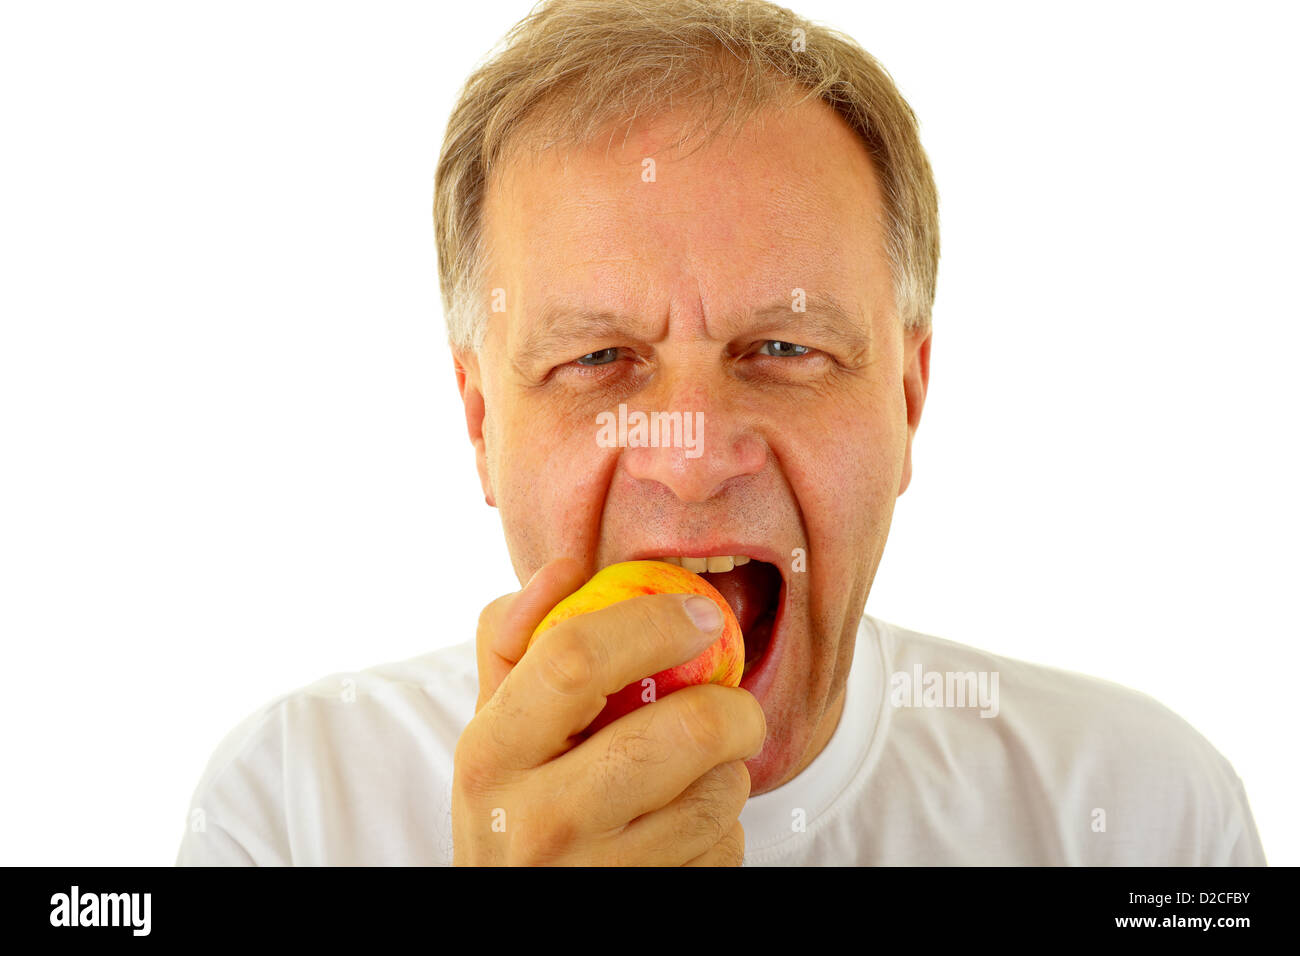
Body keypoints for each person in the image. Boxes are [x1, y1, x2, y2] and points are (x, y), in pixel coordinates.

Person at [176, 0, 1266, 866]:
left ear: (907, 398)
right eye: (596, 360)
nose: (692, 456)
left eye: (785, 350)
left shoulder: (1148, 811)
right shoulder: (289, 810)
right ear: (478, 424)